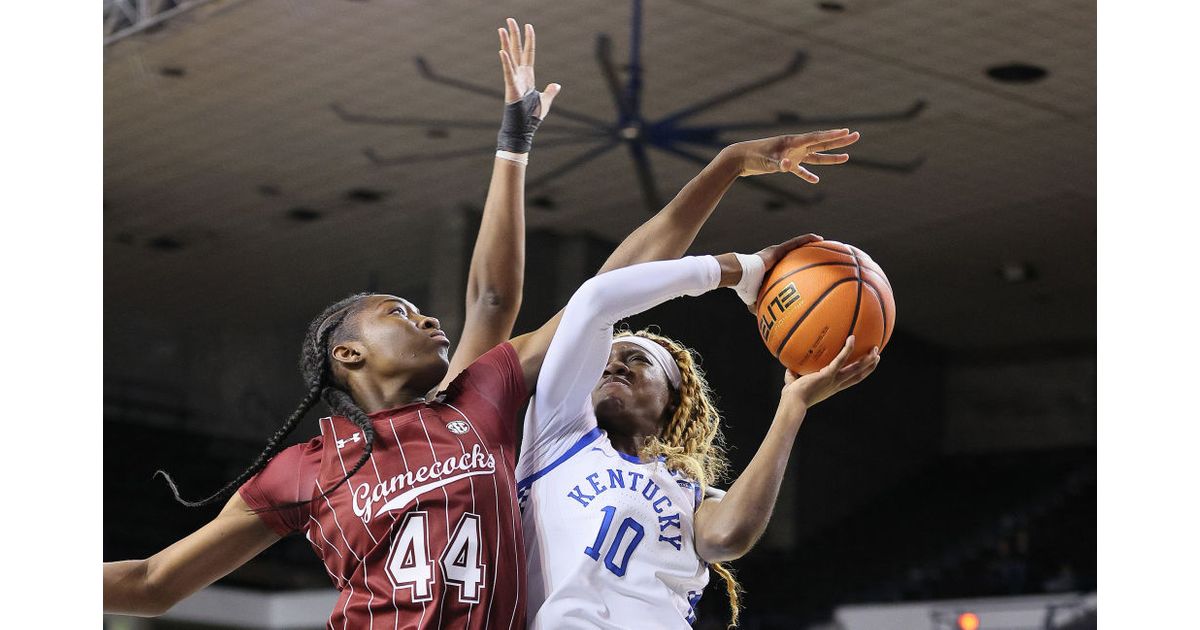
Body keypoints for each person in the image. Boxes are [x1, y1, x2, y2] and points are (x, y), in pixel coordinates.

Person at [102, 18, 864, 627]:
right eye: (398, 313)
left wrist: (519, 147)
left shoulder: (477, 405)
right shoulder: (302, 469)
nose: (424, 314)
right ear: (349, 354)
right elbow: (152, 582)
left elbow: (590, 290)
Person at [516, 243, 880, 629]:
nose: (615, 366)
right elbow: (595, 300)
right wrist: (737, 270)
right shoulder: (557, 435)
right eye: (604, 362)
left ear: (674, 396)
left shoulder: (690, 492)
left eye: (637, 359)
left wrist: (792, 406)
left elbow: (726, 537)